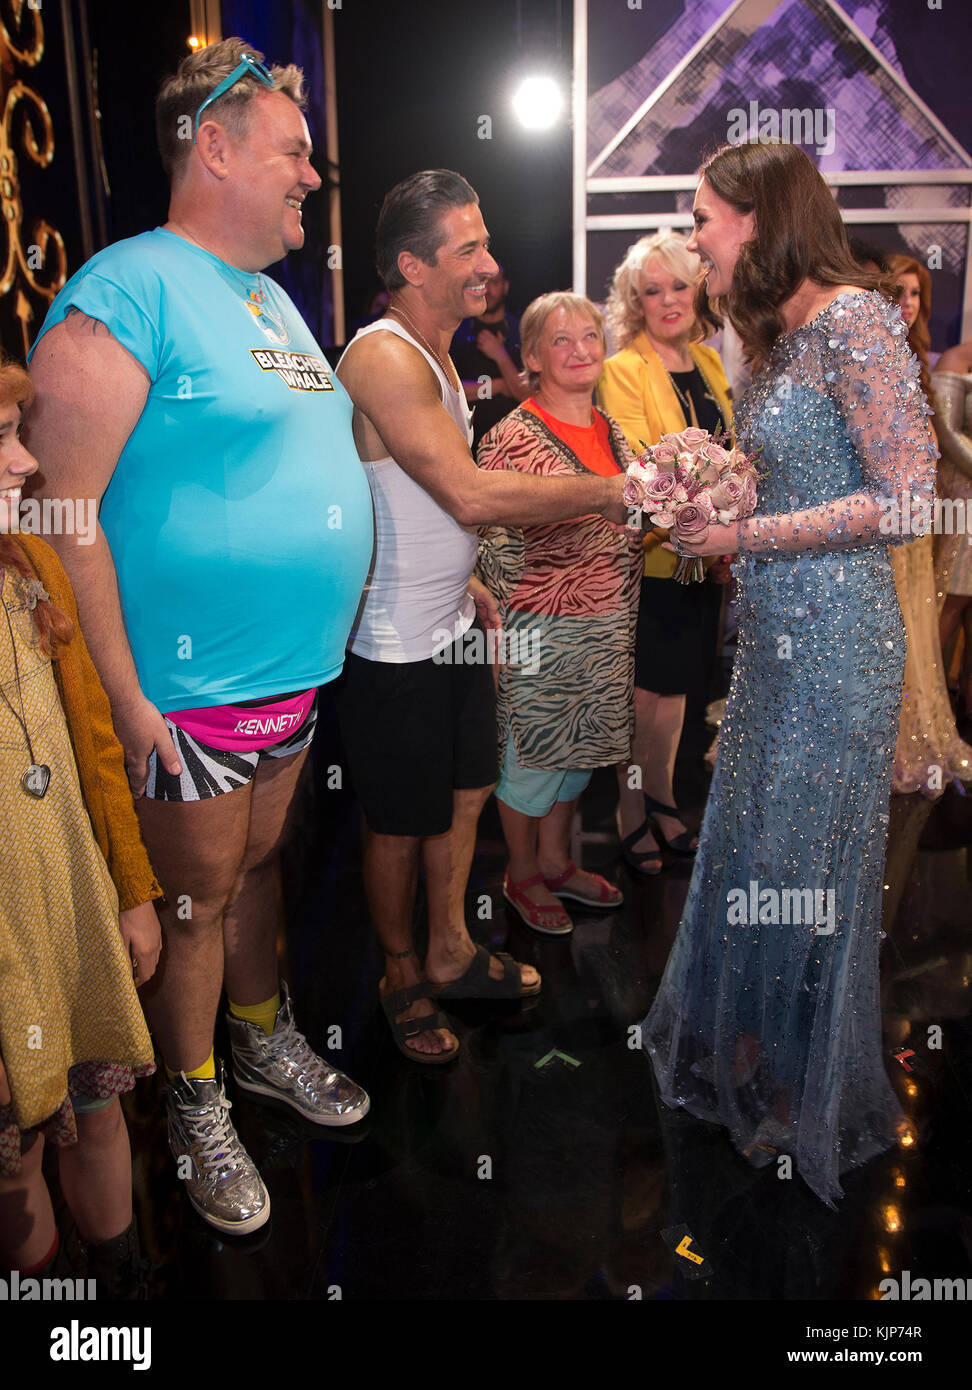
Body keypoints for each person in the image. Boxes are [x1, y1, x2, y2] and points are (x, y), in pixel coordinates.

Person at [25, 38, 375, 1236]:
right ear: (213, 147)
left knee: (251, 877)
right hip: (182, 693)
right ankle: (193, 1104)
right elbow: (56, 516)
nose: (311, 177)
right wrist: (123, 701)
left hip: (287, 681)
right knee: (190, 905)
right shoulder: (124, 291)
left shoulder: (271, 298)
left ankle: (262, 1040)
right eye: (293, 152)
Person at [641, 141, 938, 1208]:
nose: (695, 236)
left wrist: (751, 532)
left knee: (807, 858)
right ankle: (751, 1053)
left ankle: (793, 1082)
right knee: (755, 841)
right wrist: (722, 492)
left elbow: (907, 501)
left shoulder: (857, 320)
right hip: (768, 640)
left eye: (705, 217)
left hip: (842, 640)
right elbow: (793, 471)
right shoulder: (766, 336)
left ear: (759, 220)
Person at [334, 170, 628, 1062]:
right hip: (392, 641)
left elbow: (408, 499)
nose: (490, 265)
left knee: (466, 794)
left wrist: (468, 586)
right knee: (398, 818)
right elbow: (463, 493)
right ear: (411, 266)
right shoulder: (381, 354)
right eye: (469, 250)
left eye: (485, 243)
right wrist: (615, 492)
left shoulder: (437, 355)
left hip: (452, 622)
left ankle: (452, 947)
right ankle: (398, 974)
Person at [0, 358, 161, 1295]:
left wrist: (134, 891)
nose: (26, 463)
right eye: (4, 442)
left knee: (98, 1110)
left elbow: (99, 750)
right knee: (17, 1142)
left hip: (74, 911)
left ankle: (122, 1294)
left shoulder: (37, 563)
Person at [476, 292, 641, 935]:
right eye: (561, 340)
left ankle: (556, 862)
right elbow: (488, 545)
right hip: (536, 629)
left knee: (578, 757)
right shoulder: (511, 435)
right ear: (533, 357)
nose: (580, 350)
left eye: (590, 336)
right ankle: (521, 875)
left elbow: (623, 519)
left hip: (609, 624)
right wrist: (494, 645)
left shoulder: (615, 431)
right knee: (530, 762)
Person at [598, 232, 734, 875]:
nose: (668, 300)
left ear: (698, 290)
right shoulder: (623, 368)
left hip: (705, 560)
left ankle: (664, 797)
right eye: (651, 291)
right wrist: (706, 513)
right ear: (636, 303)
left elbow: (729, 452)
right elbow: (641, 467)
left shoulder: (709, 364)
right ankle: (628, 813)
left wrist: (728, 524)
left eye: (678, 285)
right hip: (653, 557)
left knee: (679, 688)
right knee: (643, 695)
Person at [883, 254, 972, 796]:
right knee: (894, 623)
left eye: (916, 294)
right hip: (884, 515)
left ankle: (910, 724)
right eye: (898, 293)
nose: (908, 304)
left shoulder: (917, 354)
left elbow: (933, 439)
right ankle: (881, 734)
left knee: (919, 618)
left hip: (919, 510)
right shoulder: (868, 351)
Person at [933, 338, 972, 723]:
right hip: (962, 503)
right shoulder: (958, 359)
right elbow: (946, 433)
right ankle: (923, 705)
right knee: (950, 601)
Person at [451, 262, 527, 447]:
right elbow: (450, 391)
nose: (488, 289)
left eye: (494, 282)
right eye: (482, 282)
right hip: (467, 443)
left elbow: (526, 394)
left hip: (515, 443)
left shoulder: (522, 332)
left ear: (505, 286)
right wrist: (498, 386)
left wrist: (500, 356)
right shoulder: (456, 331)